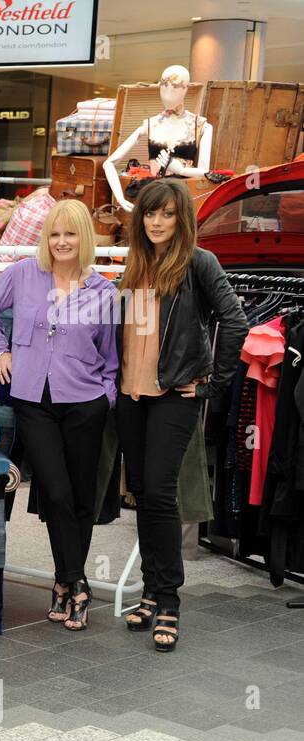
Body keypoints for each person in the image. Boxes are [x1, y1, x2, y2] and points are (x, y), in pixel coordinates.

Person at [116, 178, 249, 651]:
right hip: (131, 395)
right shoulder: (135, 263)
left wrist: (213, 382)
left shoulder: (198, 263)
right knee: (145, 492)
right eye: (150, 213)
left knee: (161, 492)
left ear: (182, 219)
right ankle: (151, 592)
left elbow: (235, 320)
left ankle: (168, 599)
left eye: (167, 214)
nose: (157, 222)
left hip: (173, 394)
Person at [0, 198, 120, 631]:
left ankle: (64, 584)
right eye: (54, 234)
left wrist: (107, 397)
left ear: (84, 239)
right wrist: (0, 350)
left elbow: (111, 355)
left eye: (70, 234)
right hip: (33, 400)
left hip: (85, 402)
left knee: (79, 498)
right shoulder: (23, 274)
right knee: (55, 493)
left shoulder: (105, 291)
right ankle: (79, 582)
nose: (61, 242)